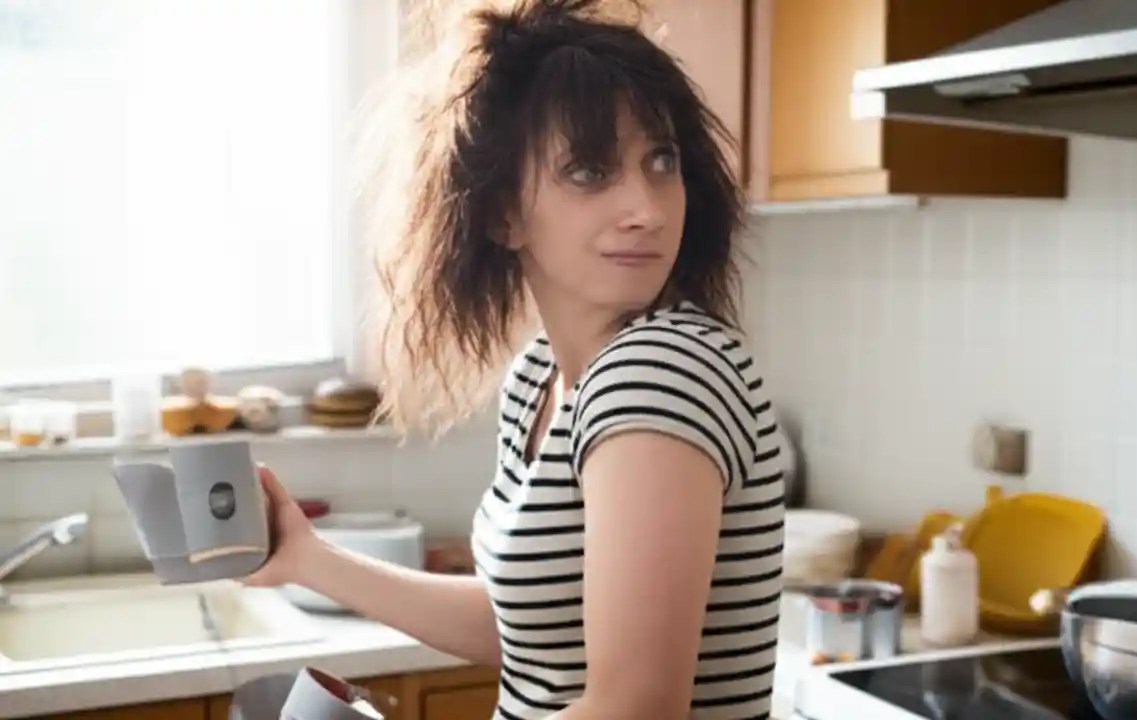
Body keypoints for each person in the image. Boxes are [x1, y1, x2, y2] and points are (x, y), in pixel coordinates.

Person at [245, 1, 786, 717]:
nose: (648, 208)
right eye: (593, 171)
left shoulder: (660, 371)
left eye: (662, 162)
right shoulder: (542, 377)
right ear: (502, 214)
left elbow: (636, 709)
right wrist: (308, 559)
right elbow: (529, 632)